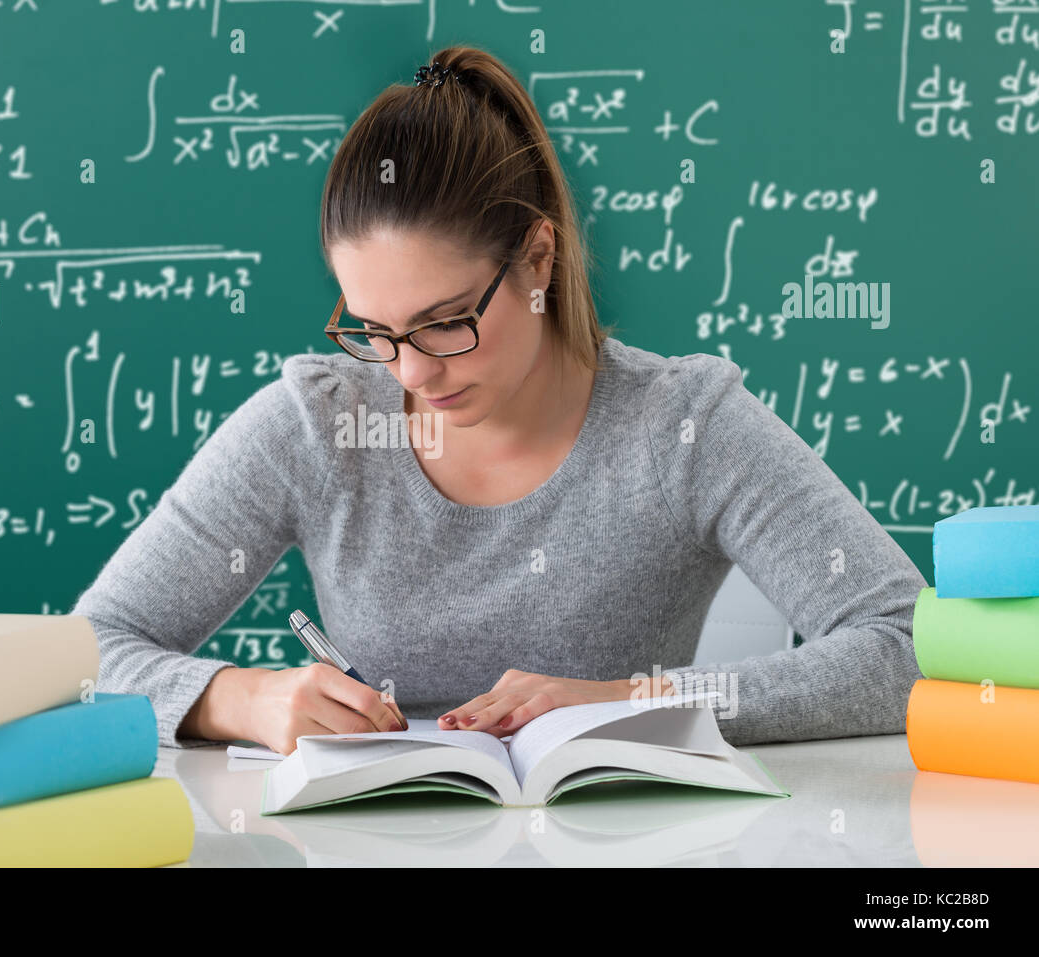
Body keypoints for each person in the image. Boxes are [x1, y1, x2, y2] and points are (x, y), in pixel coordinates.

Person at [70, 46, 927, 756]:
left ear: (538, 259)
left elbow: (907, 645)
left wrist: (630, 701)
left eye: (444, 323)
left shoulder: (684, 425)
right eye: (374, 328)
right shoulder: (318, 421)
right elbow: (86, 650)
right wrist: (237, 698)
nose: (409, 373)